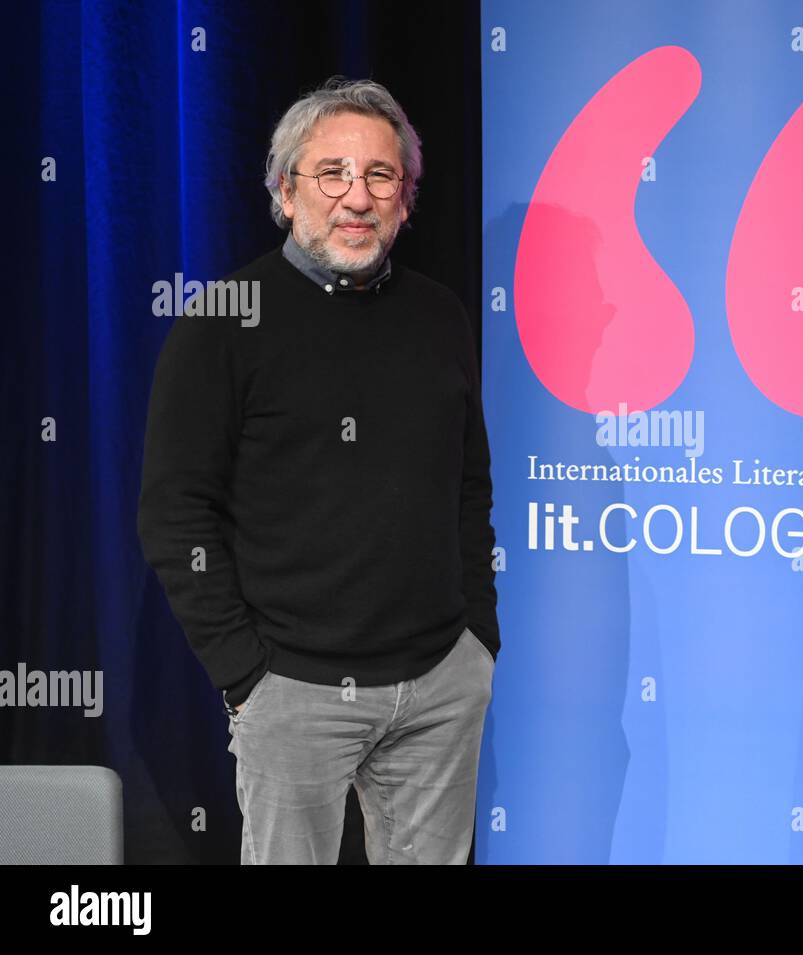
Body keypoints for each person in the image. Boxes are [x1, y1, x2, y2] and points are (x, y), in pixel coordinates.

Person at [137, 77, 499, 864]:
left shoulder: (441, 315)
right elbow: (173, 513)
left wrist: (477, 641)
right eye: (331, 172)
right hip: (292, 690)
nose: (356, 197)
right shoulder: (223, 322)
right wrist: (246, 676)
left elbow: (469, 485)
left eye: (379, 175)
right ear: (285, 190)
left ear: (405, 197)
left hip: (440, 685)